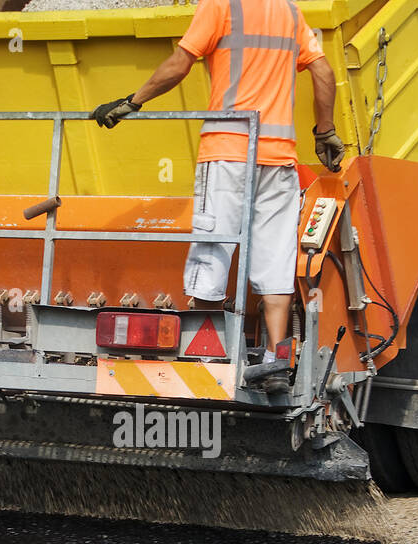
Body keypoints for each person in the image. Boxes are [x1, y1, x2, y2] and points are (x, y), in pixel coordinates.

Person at [92, 0, 345, 376]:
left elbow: (180, 62)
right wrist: (325, 131)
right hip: (279, 162)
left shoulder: (220, 6)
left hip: (228, 152)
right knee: (276, 266)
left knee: (212, 253)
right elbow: (322, 71)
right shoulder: (290, 12)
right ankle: (277, 361)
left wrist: (132, 102)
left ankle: (206, 359)